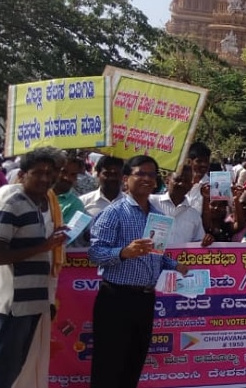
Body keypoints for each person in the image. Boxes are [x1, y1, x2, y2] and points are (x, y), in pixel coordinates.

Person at [88, 155, 189, 388]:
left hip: (144, 300)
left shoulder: (159, 217)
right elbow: (95, 253)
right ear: (126, 179)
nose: (146, 179)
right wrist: (124, 252)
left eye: (151, 175)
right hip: (116, 298)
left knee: (133, 365)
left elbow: (157, 254)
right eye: (140, 173)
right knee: (108, 367)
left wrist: (176, 266)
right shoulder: (114, 212)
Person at [0, 148, 68, 388]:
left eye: (49, 173)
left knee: (15, 364)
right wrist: (45, 245)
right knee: (4, 366)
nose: (44, 178)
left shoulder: (39, 204)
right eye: (38, 173)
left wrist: (51, 242)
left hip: (32, 300)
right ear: (22, 175)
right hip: (15, 302)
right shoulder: (12, 203)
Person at [151, 165, 204, 245]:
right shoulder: (151, 202)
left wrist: (206, 241)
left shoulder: (194, 215)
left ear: (191, 185)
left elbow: (198, 242)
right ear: (167, 180)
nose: (181, 184)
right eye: (178, 180)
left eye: (186, 181)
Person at [54, 156, 86, 223]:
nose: (67, 178)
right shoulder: (41, 193)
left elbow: (67, 232)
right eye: (64, 172)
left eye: (73, 174)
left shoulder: (76, 204)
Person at [185, 142, 212, 213]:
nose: (204, 164)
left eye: (206, 161)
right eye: (199, 161)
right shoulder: (179, 183)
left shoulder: (214, 186)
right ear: (189, 161)